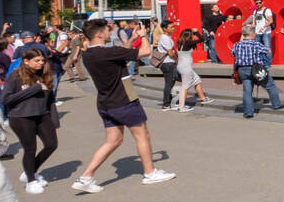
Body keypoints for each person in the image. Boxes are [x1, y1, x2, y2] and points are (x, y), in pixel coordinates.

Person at [76, 19, 177, 192]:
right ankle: (150, 173)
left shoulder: (88, 55)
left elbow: (122, 52)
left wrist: (130, 41)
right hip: (124, 100)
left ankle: (86, 177)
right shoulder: (109, 52)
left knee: (113, 141)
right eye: (107, 31)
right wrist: (144, 37)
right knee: (142, 135)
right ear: (99, 34)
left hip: (105, 102)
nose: (110, 33)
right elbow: (146, 52)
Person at [1, 44, 58, 195]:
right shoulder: (15, 76)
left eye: (42, 60)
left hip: (42, 115)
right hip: (21, 117)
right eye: (37, 60)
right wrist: (34, 89)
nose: (41, 63)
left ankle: (29, 172)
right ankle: (31, 181)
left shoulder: (44, 75)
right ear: (26, 61)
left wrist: (55, 120)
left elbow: (51, 100)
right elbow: (5, 99)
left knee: (51, 144)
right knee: (30, 148)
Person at [231, 26, 284, 119]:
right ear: (252, 34)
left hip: (242, 70)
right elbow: (268, 51)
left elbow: (232, 54)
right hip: (255, 69)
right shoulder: (256, 44)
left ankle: (248, 112)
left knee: (247, 91)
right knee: (270, 85)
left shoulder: (236, 44)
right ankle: (276, 104)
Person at [173, 30, 212, 111]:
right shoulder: (188, 43)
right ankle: (181, 106)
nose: (193, 37)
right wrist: (197, 32)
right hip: (186, 68)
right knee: (185, 87)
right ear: (188, 36)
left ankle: (203, 99)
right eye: (192, 35)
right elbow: (202, 39)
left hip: (181, 66)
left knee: (197, 81)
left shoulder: (180, 42)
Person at [153, 20, 180, 111]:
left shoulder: (166, 37)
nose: (173, 29)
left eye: (173, 26)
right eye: (171, 27)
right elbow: (170, 52)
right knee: (169, 83)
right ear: (165, 29)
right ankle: (166, 103)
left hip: (169, 63)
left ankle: (169, 101)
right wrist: (177, 59)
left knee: (170, 82)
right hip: (168, 63)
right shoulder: (165, 38)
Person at [251, 0, 275, 66]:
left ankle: (268, 64)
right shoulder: (255, 11)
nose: (258, 4)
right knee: (259, 49)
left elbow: (271, 21)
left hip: (266, 33)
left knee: (267, 48)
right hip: (257, 33)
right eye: (257, 3)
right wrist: (253, 27)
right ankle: (262, 63)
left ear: (263, 2)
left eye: (260, 2)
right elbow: (254, 22)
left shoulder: (267, 10)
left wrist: (263, 27)